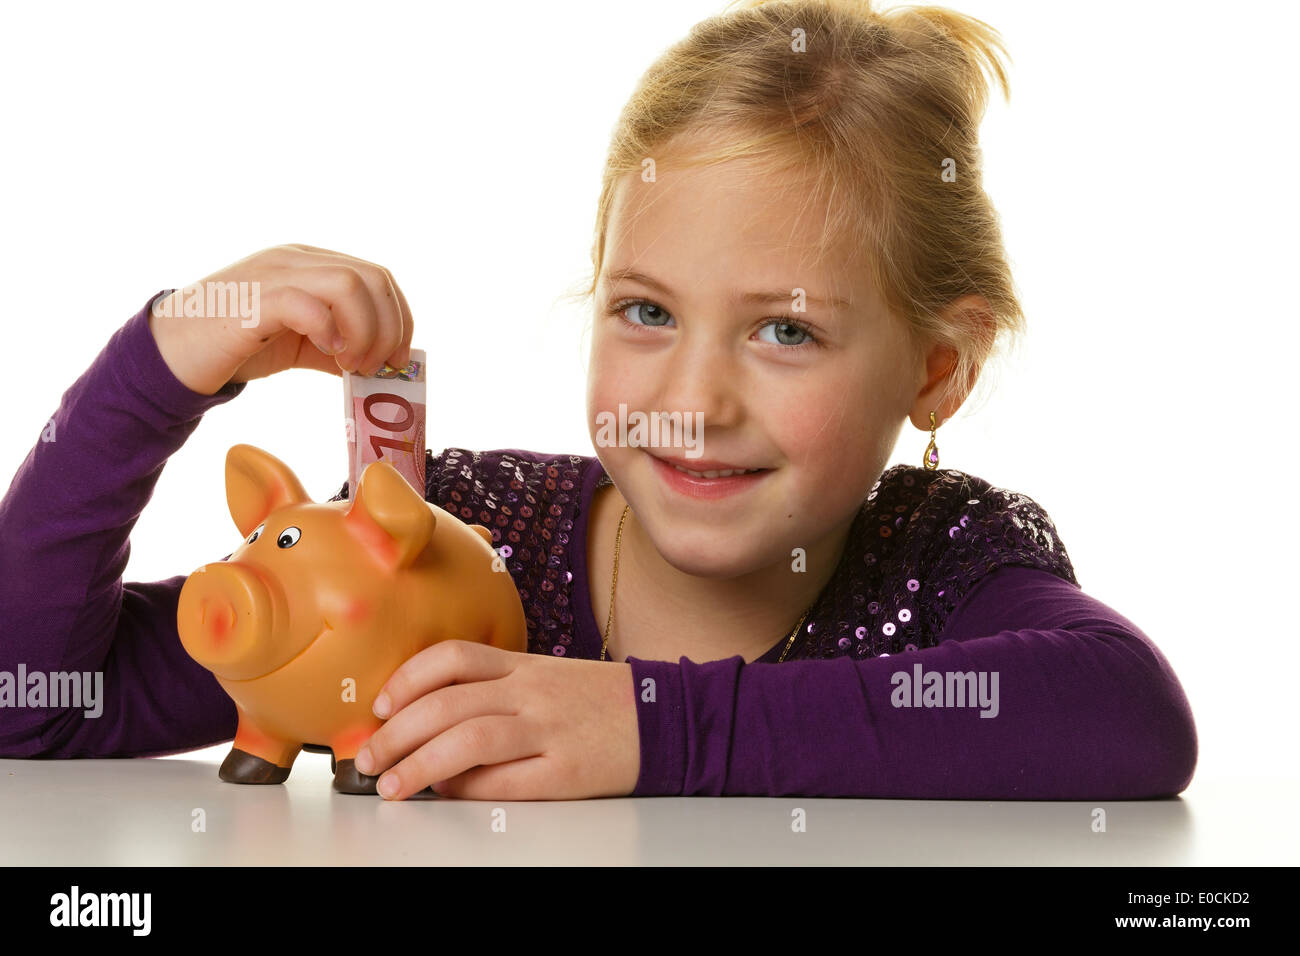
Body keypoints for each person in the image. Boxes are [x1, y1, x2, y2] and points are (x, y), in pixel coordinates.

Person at [0, 0, 1196, 801]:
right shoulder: (453, 532)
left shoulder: (938, 560)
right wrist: (153, 367)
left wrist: (651, 726)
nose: (689, 399)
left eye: (785, 330)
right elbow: (36, 698)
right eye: (646, 312)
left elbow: (1129, 715)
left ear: (936, 368)